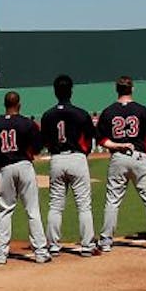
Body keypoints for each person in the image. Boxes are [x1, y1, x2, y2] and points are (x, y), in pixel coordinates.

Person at [98, 76, 146, 252]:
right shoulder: (142, 110)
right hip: (138, 156)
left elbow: (101, 139)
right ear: (132, 89)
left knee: (113, 201)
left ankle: (106, 241)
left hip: (117, 158)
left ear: (117, 89)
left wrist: (117, 145)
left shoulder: (108, 112)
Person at [0, 91, 47, 265]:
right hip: (24, 166)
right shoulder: (27, 123)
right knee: (32, 210)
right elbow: (36, 149)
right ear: (19, 104)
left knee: (4, 212)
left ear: (4, 105)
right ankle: (40, 252)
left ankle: (2, 253)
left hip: (4, 167)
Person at [39, 74, 99, 256]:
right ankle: (87, 246)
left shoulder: (48, 115)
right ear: (71, 91)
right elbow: (91, 136)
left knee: (56, 205)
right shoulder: (80, 113)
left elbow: (45, 141)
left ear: (55, 92)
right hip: (76, 158)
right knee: (84, 205)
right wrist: (85, 152)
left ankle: (53, 246)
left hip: (57, 159)